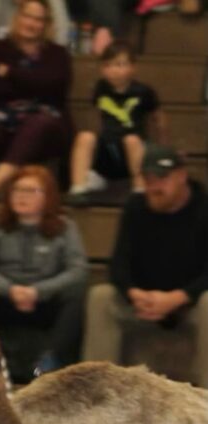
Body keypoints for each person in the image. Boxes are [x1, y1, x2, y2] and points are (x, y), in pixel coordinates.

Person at [82, 144, 208, 385]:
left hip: (189, 305)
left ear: (182, 176)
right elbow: (118, 265)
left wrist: (179, 297)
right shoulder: (135, 208)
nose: (154, 187)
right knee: (101, 296)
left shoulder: (204, 208)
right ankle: (97, 390)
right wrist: (134, 293)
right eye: (148, 179)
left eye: (162, 179)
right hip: (142, 303)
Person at [0, 165, 87, 382]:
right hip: (3, 297)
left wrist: (37, 292)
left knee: (77, 297)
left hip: (44, 300)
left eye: (31, 191)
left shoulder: (65, 227)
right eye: (17, 190)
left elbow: (78, 270)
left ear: (47, 196)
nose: (22, 196)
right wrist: (9, 290)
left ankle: (51, 360)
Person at [0, 0, 72, 202]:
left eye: (38, 19)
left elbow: (54, 86)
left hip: (46, 125)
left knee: (37, 123)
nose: (31, 23)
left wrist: (10, 72)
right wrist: (32, 81)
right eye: (27, 16)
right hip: (1, 117)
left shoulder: (57, 53)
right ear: (17, 18)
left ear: (46, 24)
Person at [67, 41, 165, 205]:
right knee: (85, 136)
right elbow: (96, 114)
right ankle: (78, 188)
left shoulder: (143, 91)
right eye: (108, 65)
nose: (114, 70)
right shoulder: (101, 87)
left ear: (133, 67)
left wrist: (162, 145)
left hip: (134, 151)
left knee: (131, 139)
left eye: (120, 64)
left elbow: (159, 118)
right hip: (108, 148)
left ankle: (140, 189)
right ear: (102, 69)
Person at [0, 0, 70, 119]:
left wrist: (15, 75)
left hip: (37, 67)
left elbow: (60, 48)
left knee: (50, 86)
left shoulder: (54, 3)